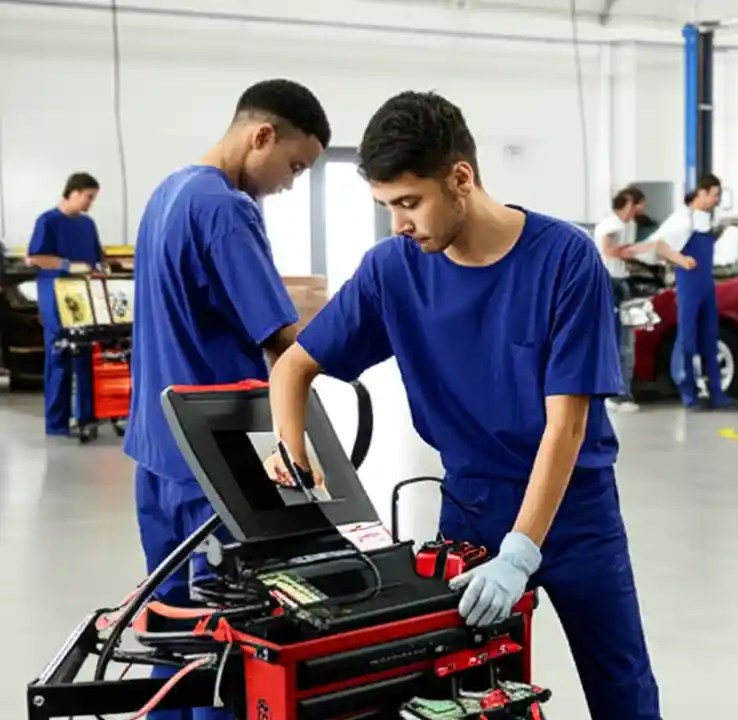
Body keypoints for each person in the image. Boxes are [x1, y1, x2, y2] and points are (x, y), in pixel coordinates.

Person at [267, 91, 661, 720]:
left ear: (460, 178)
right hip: (471, 510)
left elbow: (566, 426)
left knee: (620, 681)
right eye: (387, 206)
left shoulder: (565, 260)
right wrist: (292, 447)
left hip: (574, 512)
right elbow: (293, 367)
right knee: (461, 690)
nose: (399, 223)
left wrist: (522, 552)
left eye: (408, 203)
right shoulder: (391, 272)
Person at [125, 79, 330, 720]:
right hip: (214, 465)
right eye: (294, 166)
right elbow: (282, 343)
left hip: (156, 454)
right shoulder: (226, 207)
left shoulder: (167, 193)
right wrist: (361, 337)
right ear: (261, 134)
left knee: (170, 633)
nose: (290, 184)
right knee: (227, 649)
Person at [628, 175, 738, 411]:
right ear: (701, 193)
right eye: (714, 194)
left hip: (706, 285)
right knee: (688, 340)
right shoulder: (682, 219)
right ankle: (689, 395)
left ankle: (717, 394)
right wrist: (681, 259)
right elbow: (659, 246)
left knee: (710, 338)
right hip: (689, 284)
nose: (716, 200)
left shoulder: (708, 219)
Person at [24, 172, 104, 436]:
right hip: (56, 294)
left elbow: (97, 258)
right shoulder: (48, 221)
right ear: (73, 192)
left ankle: (86, 417)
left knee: (84, 355)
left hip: (83, 297)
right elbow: (36, 256)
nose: (90, 204)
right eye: (88, 197)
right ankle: (57, 423)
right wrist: (67, 265)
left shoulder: (87, 225)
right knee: (60, 356)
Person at [593, 186, 646, 413]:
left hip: (616, 281)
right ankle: (618, 395)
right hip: (613, 282)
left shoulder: (620, 225)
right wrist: (635, 252)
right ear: (628, 202)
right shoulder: (613, 225)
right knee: (622, 341)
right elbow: (609, 250)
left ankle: (618, 392)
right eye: (639, 204)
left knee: (622, 339)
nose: (641, 209)